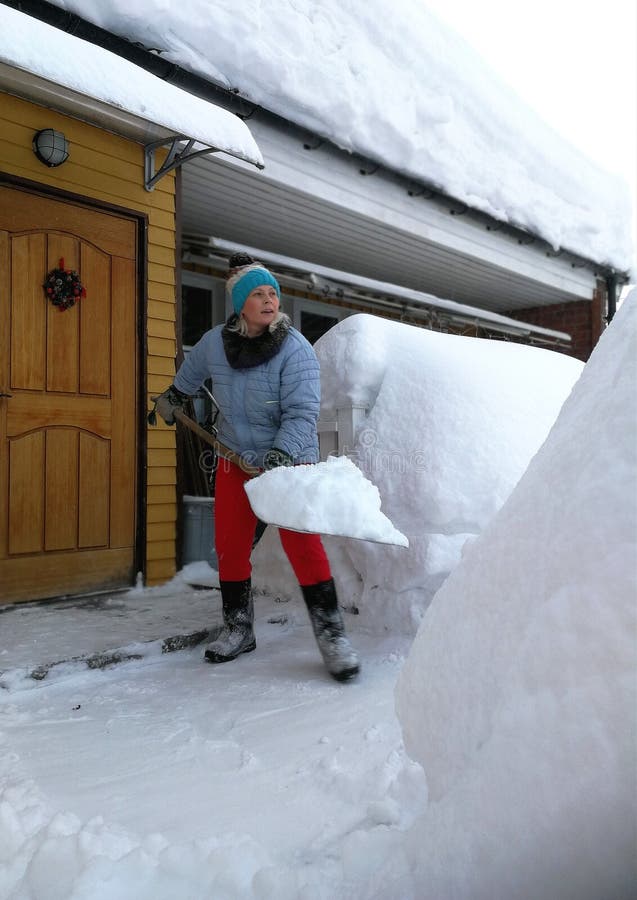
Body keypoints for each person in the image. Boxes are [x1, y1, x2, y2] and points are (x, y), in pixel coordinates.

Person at [153, 256, 359, 682]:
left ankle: (333, 637)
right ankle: (238, 629)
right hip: (233, 457)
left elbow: (302, 412)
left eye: (273, 294)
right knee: (230, 545)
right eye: (258, 294)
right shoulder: (215, 343)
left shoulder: (295, 348)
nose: (269, 300)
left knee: (302, 547)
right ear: (241, 305)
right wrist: (173, 397)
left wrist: (280, 455)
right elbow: (191, 374)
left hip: (288, 461)